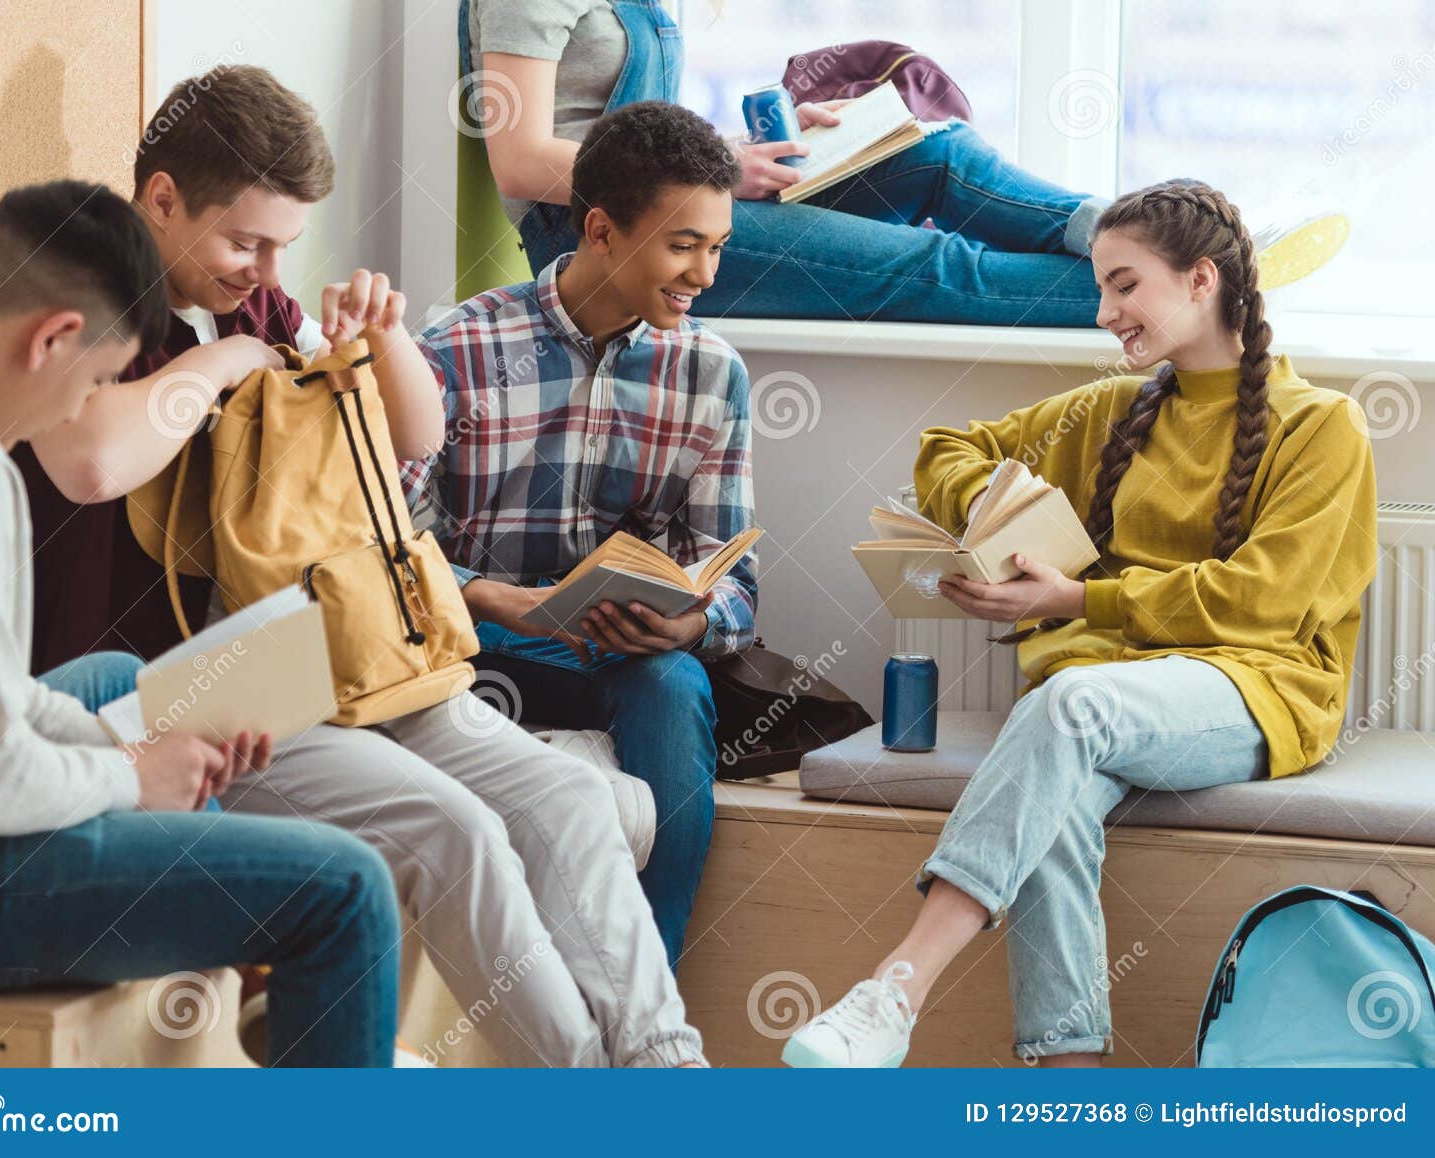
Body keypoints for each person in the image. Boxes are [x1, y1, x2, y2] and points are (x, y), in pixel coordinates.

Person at [16, 66, 705, 1067]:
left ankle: (666, 1071)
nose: (261, 267)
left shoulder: (254, 305)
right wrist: (224, 367)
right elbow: (88, 464)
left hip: (312, 662)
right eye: (245, 241)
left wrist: (380, 337)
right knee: (454, 830)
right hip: (167, 699)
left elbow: (412, 440)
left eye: (281, 246)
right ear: (160, 199)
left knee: (561, 798)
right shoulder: (81, 296)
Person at [781, 179, 1377, 1067]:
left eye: (1125, 285)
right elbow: (947, 448)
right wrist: (996, 507)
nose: (1105, 312)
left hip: (1257, 690)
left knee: (1066, 707)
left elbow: (1266, 600)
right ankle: (1070, 1087)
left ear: (1203, 278)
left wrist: (1075, 601)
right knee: (1052, 798)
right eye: (1101, 288)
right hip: (1106, 698)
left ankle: (897, 987)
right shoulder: (1109, 412)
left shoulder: (1323, 426)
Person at [0, 180, 401, 1067]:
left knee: (114, 684)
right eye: (91, 381)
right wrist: (131, 776)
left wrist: (116, 746)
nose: (69, 416)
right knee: (348, 888)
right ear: (51, 337)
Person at [405, 101, 755, 965]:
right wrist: (496, 600)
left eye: (717, 246)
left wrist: (691, 620)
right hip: (471, 642)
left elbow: (737, 584)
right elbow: (387, 555)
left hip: (615, 656)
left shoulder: (712, 374)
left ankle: (646, 1008)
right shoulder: (456, 349)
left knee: (672, 685)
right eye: (684, 246)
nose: (705, 274)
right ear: (601, 229)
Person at [463, 0, 1347, 326]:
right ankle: (1173, 290)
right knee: (928, 267)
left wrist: (757, 143)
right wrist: (720, 167)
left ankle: (1150, 237)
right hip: (615, 242)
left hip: (685, 191)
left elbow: (623, 123)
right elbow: (521, 158)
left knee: (934, 152)